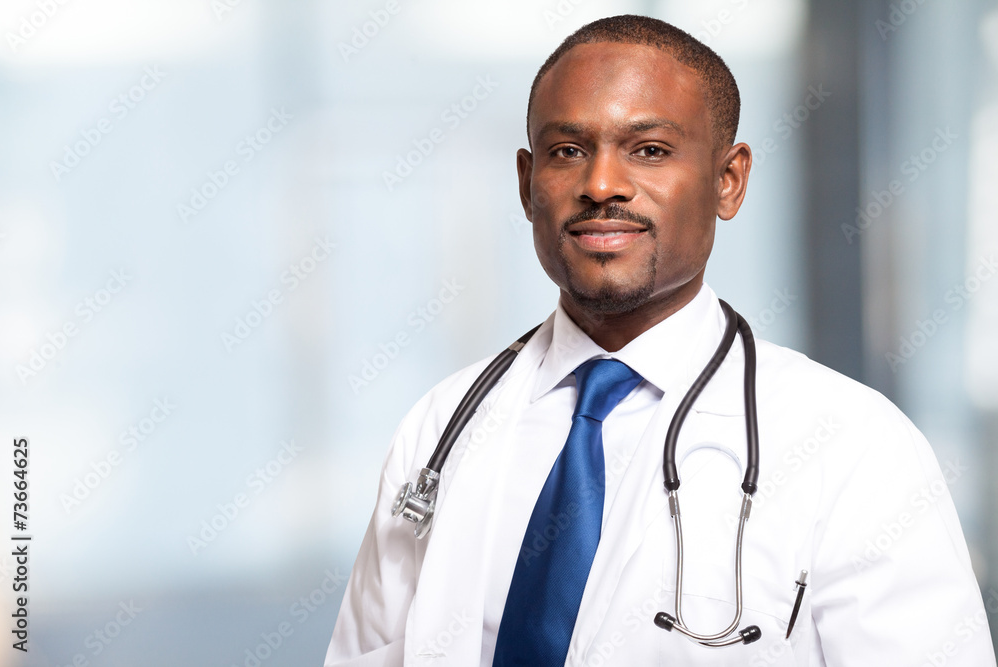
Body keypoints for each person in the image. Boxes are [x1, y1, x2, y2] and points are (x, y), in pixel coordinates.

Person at [325, 15, 997, 666]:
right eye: (568, 151)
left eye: (648, 150)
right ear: (529, 184)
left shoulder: (852, 446)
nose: (601, 185)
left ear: (727, 180)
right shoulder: (440, 428)